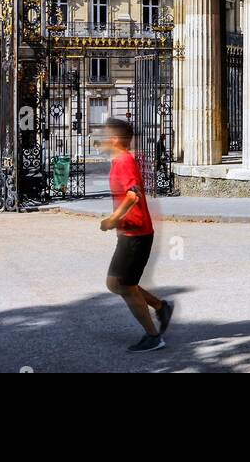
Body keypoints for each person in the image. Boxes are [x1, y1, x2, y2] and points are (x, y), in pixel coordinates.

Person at [100, 118, 173, 352]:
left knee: (123, 285)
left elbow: (134, 195)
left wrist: (113, 219)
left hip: (137, 234)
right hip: (130, 233)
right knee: (117, 283)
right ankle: (161, 307)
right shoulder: (121, 160)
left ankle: (153, 336)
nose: (102, 139)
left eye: (105, 135)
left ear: (114, 139)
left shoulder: (124, 161)